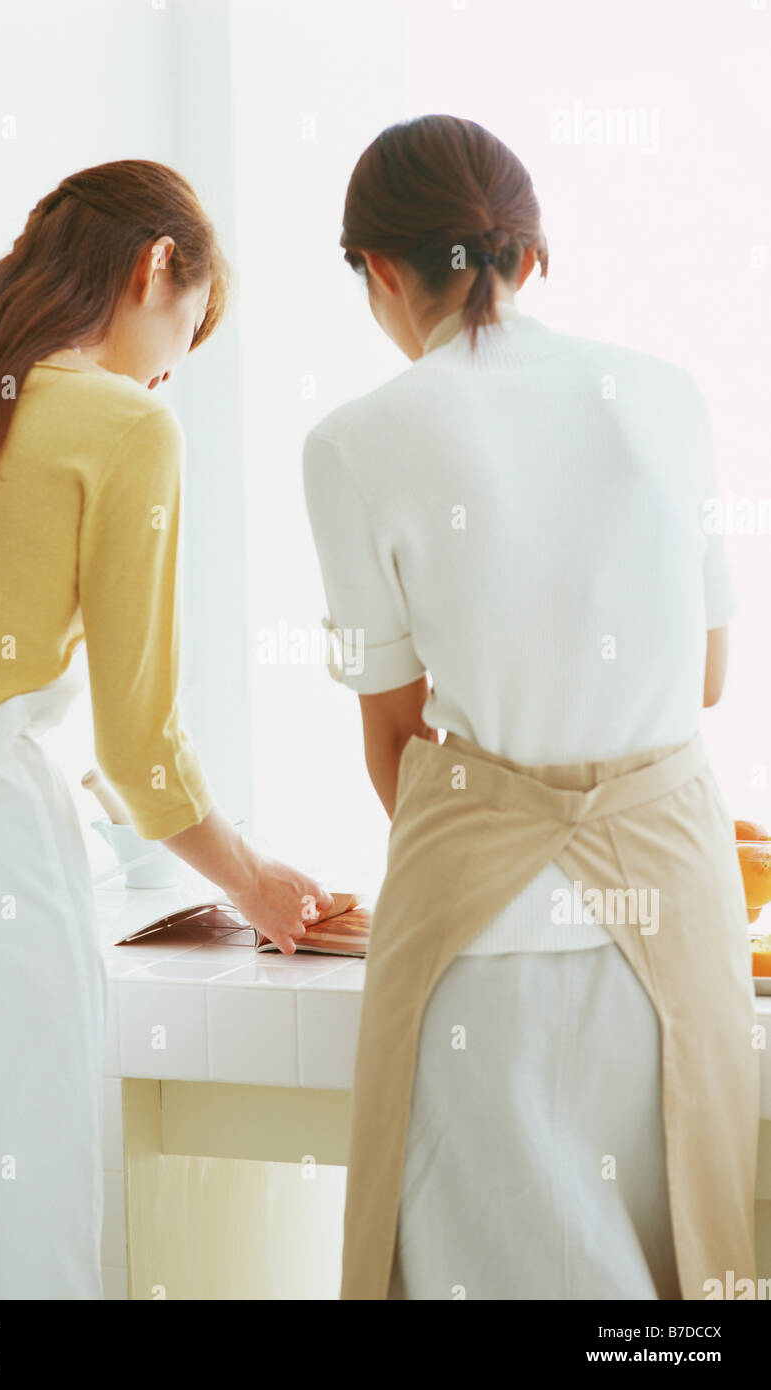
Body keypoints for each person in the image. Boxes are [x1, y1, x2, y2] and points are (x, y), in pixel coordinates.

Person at [0, 158, 332, 1300]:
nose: (169, 371)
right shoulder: (124, 430)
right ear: (155, 263)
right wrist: (257, 882)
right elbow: (141, 748)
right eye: (186, 327)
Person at [303, 116, 759, 1300]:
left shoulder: (351, 443)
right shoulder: (667, 394)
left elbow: (395, 736)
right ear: (529, 253)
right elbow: (706, 676)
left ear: (383, 272)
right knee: (684, 1275)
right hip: (674, 912)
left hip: (479, 939)